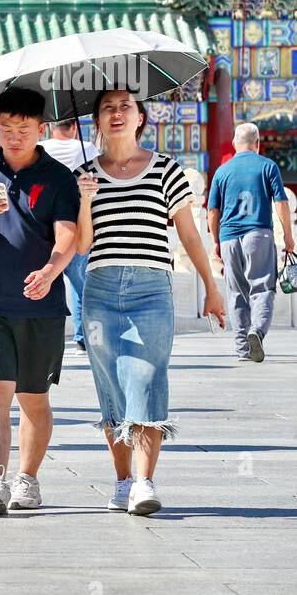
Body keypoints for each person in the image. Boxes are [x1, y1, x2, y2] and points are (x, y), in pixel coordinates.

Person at [76, 88, 226, 516]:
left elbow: (189, 235)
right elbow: (84, 245)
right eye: (108, 109)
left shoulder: (166, 171)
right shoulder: (85, 175)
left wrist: (211, 288)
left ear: (140, 117)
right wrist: (85, 199)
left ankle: (144, 481)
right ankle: (122, 480)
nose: (117, 114)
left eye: (126, 107)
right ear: (98, 122)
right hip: (100, 290)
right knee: (113, 390)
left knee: (146, 378)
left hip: (151, 290)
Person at [0, 90, 80, 514]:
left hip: (41, 306)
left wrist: (50, 271)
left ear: (41, 129)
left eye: (23, 129)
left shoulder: (58, 177)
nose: (14, 136)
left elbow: (68, 236)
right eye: (6, 128)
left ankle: (28, 478)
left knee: (33, 399)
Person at [207, 122, 294, 363]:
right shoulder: (268, 166)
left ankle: (243, 348)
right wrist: (288, 235)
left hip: (228, 238)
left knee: (236, 293)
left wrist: (215, 241)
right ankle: (258, 330)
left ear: (235, 143)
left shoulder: (222, 172)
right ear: (257, 144)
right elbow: (281, 203)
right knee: (262, 288)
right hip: (259, 234)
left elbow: (212, 211)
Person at [41, 118, 94, 350]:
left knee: (44, 280)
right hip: (75, 224)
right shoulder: (86, 148)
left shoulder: (41, 149)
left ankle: (45, 339)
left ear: (51, 127)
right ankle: (83, 337)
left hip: (44, 226)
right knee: (81, 284)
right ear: (74, 127)